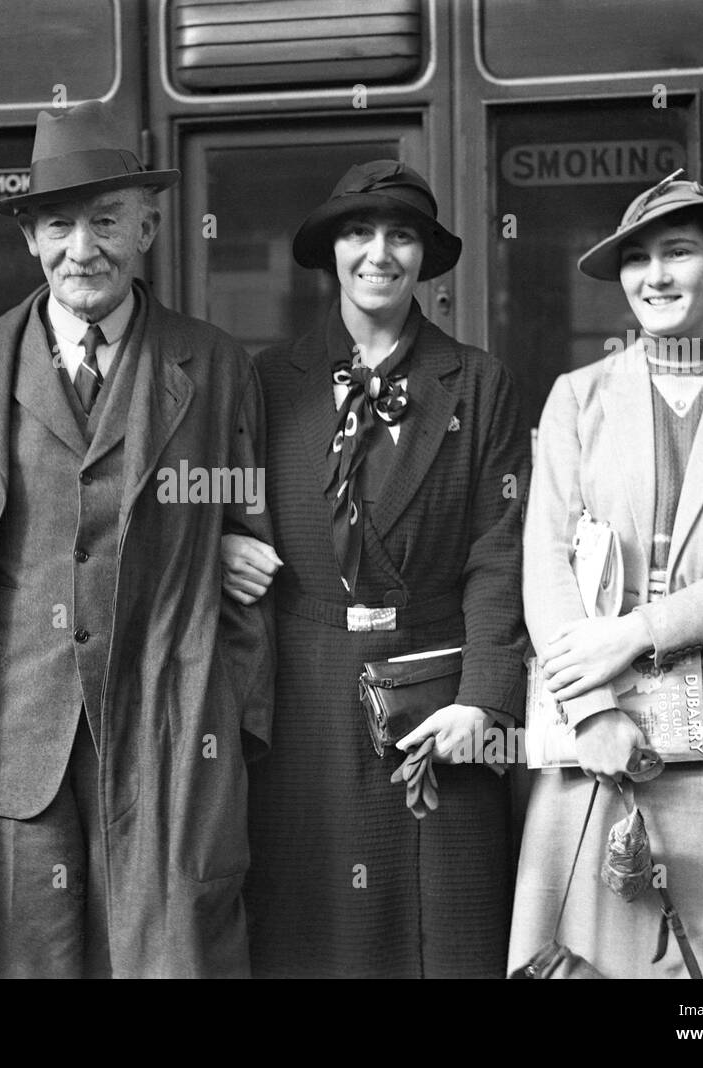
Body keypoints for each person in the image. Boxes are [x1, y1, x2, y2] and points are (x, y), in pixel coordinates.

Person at [0, 99, 274, 979]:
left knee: (170, 950)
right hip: (11, 727)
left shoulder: (212, 365)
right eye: (59, 224)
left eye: (105, 222)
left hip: (167, 724)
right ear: (28, 236)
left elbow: (250, 544)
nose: (82, 249)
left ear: (149, 227)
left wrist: (237, 724)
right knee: (25, 957)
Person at [509, 170, 703, 978]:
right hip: (598, 727)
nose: (654, 276)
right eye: (636, 258)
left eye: (678, 253)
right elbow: (543, 561)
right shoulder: (577, 397)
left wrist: (635, 633)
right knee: (593, 953)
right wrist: (589, 713)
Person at [223, 161, 529, 978]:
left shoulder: (480, 381)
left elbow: (500, 553)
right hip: (304, 695)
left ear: (425, 256)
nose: (379, 253)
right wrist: (216, 539)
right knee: (314, 934)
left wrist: (484, 700)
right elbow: (215, 489)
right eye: (359, 232)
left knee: (449, 935)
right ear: (332, 251)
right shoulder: (265, 379)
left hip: (438, 691)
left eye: (402, 235)